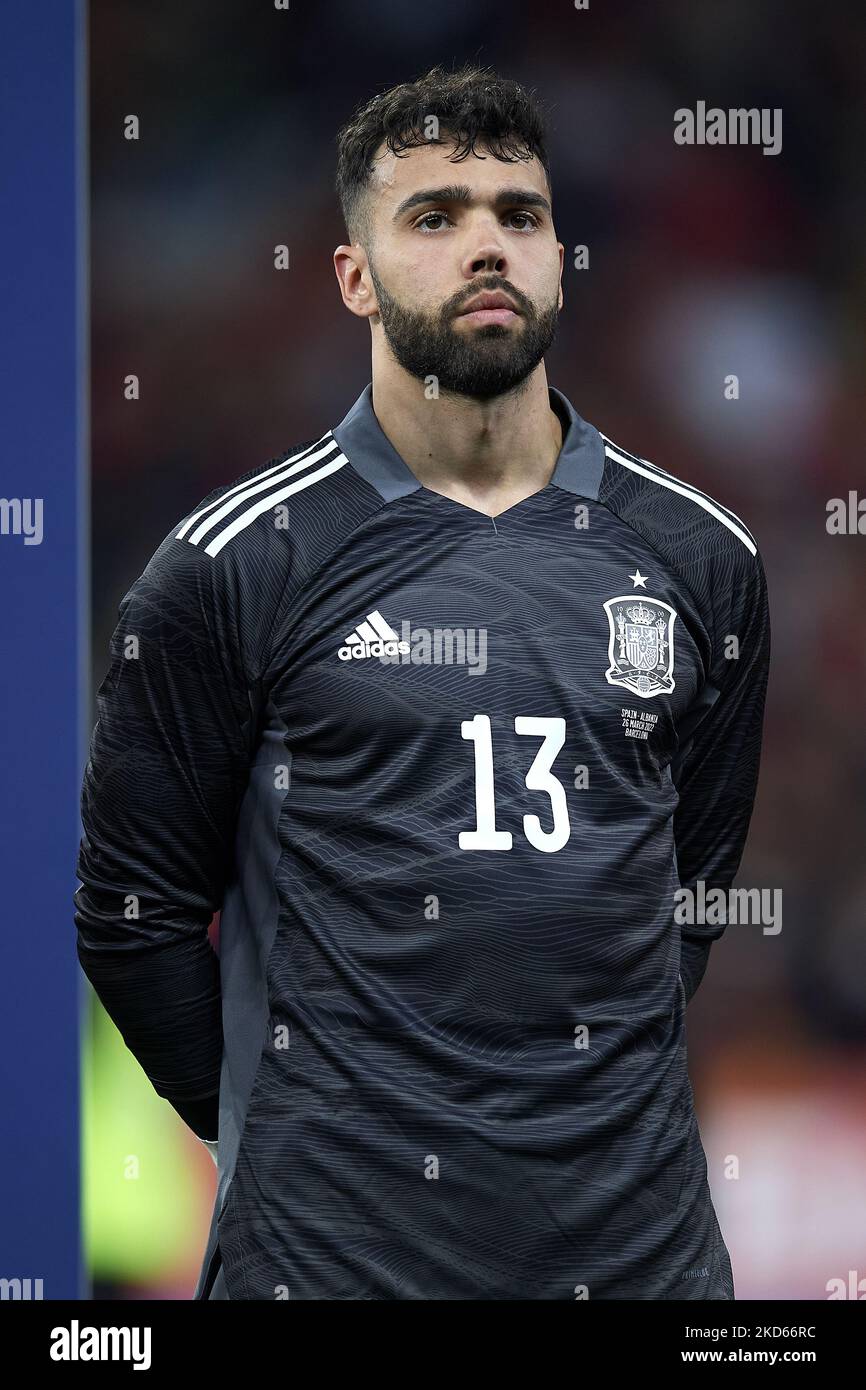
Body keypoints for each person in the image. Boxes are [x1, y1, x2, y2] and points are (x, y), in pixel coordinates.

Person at [74, 63, 770, 1300]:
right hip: (334, 1264)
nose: (486, 246)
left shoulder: (702, 561)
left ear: (561, 256)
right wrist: (293, 1131)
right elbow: (133, 916)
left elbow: (690, 895)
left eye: (519, 215)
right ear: (354, 277)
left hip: (635, 1262)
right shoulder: (232, 567)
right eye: (435, 217)